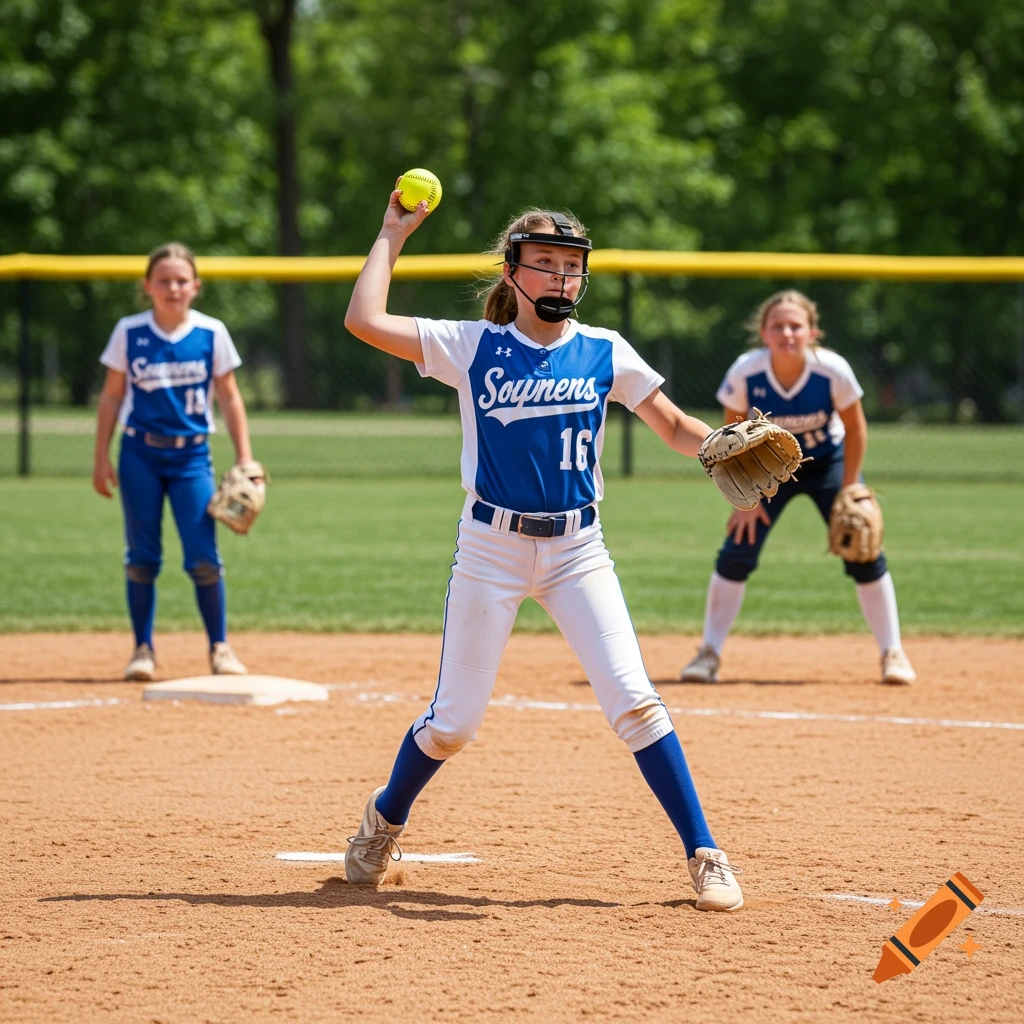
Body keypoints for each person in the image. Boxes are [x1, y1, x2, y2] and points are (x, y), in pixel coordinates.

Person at [340, 188, 744, 912]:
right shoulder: (473, 346)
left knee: (637, 703)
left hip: (578, 551)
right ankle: (384, 819)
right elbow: (362, 321)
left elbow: (675, 425)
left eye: (571, 266)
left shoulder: (603, 349)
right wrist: (391, 236)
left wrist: (716, 445)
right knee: (454, 724)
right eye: (545, 264)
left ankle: (705, 853)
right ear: (513, 273)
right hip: (490, 548)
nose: (560, 278)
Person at [680, 290, 917, 686]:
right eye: (777, 326)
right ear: (763, 332)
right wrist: (748, 501)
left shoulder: (831, 370)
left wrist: (848, 490)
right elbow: (730, 438)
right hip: (767, 471)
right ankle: (709, 653)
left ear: (812, 332)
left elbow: (855, 429)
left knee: (863, 547)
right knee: (738, 548)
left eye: (796, 326)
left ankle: (893, 652)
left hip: (828, 464)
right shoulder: (747, 372)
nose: (786, 333)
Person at [92, 242, 257, 682]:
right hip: (139, 455)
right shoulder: (129, 332)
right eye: (163, 280)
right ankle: (142, 650)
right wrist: (100, 458)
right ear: (147, 286)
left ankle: (220, 648)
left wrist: (246, 458)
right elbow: (111, 397)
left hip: (191, 458)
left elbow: (229, 395)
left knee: (203, 557)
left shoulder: (210, 332)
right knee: (142, 557)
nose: (172, 287)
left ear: (196, 287)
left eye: (181, 280)